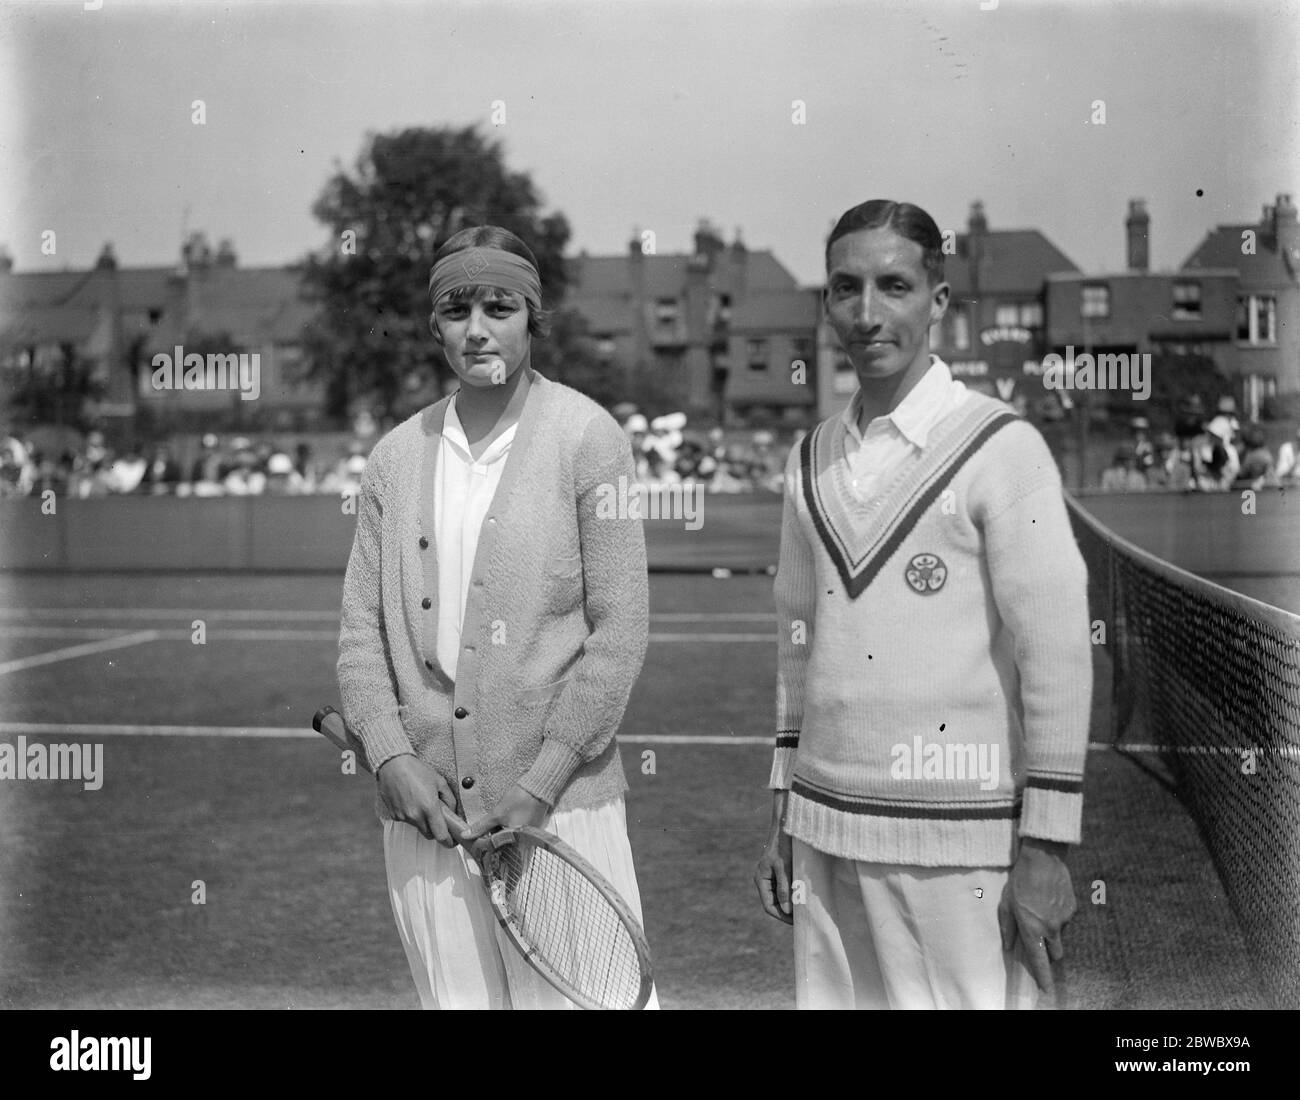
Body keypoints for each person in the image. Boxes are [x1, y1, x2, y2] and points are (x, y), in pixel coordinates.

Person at [753, 199, 1092, 1010]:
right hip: (826, 829)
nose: (867, 314)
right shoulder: (807, 461)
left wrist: (1046, 846)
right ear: (827, 302)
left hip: (960, 846)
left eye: (894, 286)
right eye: (845, 289)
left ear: (937, 301)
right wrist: (781, 814)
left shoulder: (1002, 448)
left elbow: (1058, 652)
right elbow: (797, 649)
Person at [337, 225, 656, 1010]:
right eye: (456, 309)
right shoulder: (394, 459)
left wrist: (541, 783)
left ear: (531, 317)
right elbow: (359, 639)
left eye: (498, 306)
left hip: (557, 813)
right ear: (434, 324)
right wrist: (390, 760)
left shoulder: (588, 439)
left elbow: (619, 635)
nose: (477, 328)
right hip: (427, 819)